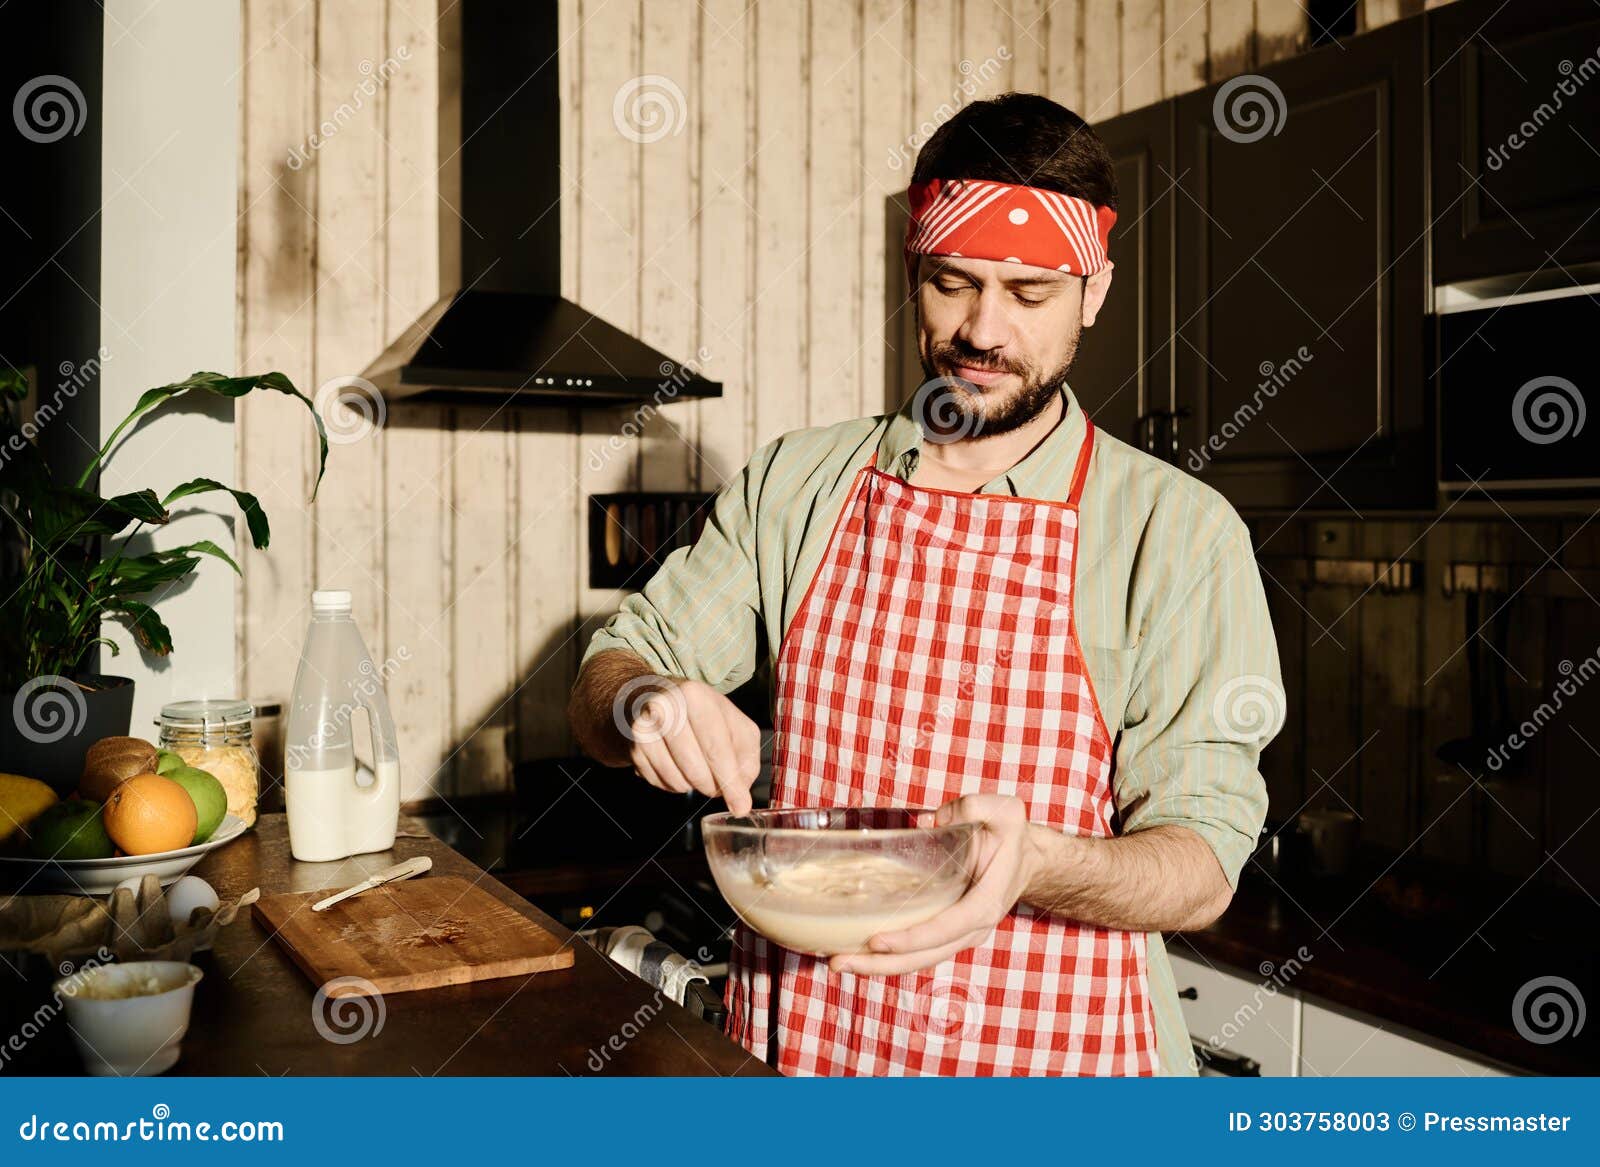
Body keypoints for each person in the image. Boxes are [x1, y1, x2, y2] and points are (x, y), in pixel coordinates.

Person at [569, 92, 1282, 1076]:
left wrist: (1038, 860)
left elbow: (1199, 867)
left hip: (1060, 1068)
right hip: (805, 1055)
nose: (983, 331)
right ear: (913, 271)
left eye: (1029, 294)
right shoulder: (800, 483)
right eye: (953, 283)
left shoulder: (1179, 535)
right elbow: (609, 673)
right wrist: (648, 703)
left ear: (1095, 291)